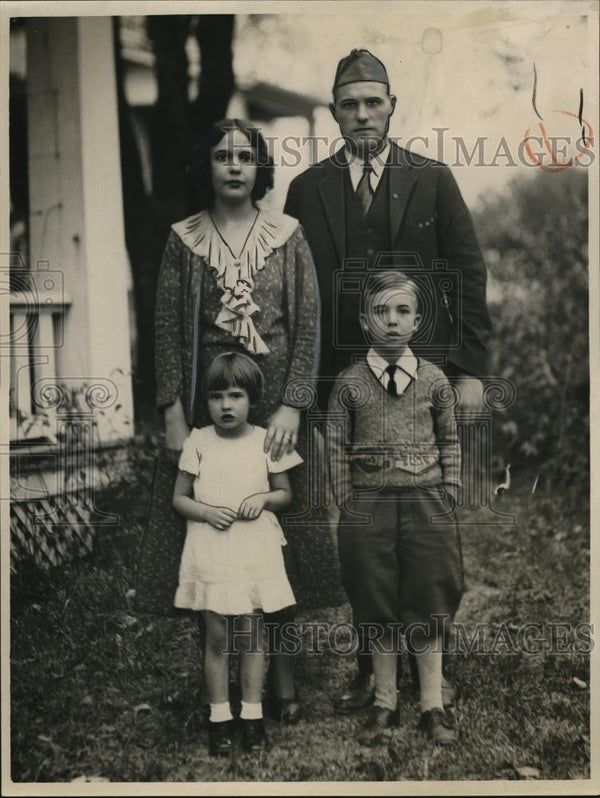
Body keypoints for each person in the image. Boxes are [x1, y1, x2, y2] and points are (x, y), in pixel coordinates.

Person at [284, 48, 491, 712]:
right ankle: (377, 667)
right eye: (349, 104)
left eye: (373, 101)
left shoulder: (431, 179)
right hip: (343, 389)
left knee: (428, 527)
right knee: (363, 530)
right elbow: (298, 293)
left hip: (425, 385)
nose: (362, 114)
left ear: (392, 106)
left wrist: (468, 371)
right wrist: (307, 394)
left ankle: (432, 658)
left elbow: (469, 274)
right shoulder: (306, 189)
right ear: (335, 112)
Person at [137, 118, 344, 722]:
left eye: (245, 157)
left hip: (276, 412)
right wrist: (174, 413)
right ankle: (219, 671)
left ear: (260, 169)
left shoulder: (287, 235)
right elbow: (168, 330)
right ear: (205, 165)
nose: (233, 166)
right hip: (212, 413)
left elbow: (307, 324)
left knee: (281, 540)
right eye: (222, 156)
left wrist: (292, 404)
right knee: (215, 537)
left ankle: (280, 671)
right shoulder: (185, 239)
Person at [328, 271, 463, 745]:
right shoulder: (348, 382)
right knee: (376, 600)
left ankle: (432, 705)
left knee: (428, 597)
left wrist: (450, 488)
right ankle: (385, 703)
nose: (391, 321)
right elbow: (335, 445)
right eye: (381, 311)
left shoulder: (434, 379)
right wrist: (347, 496)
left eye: (402, 311)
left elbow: (450, 439)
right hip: (370, 505)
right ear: (366, 321)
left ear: (417, 320)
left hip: (426, 502)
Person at [173, 352, 303, 756]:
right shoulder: (198, 441)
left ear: (253, 398)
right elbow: (179, 499)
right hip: (212, 550)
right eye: (216, 397)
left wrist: (264, 498)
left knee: (250, 635)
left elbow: (286, 494)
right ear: (206, 401)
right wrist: (207, 511)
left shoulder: (266, 440)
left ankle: (251, 716)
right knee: (216, 638)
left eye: (235, 395)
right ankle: (219, 720)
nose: (226, 406)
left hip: (253, 551)